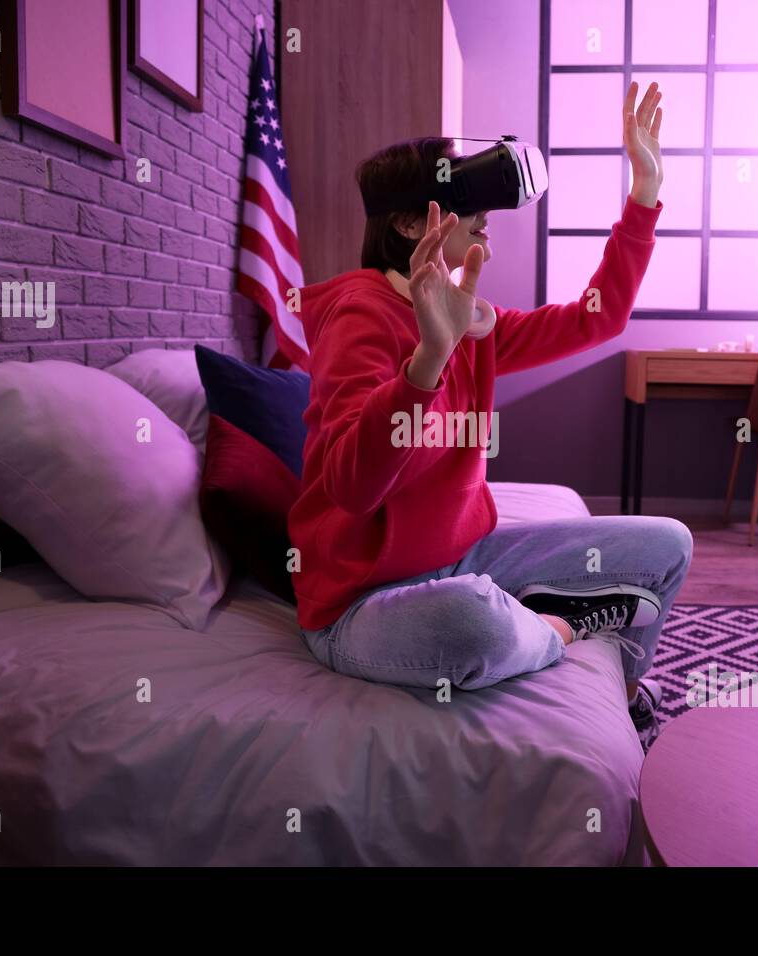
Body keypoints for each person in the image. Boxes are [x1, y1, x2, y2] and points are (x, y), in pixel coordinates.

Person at [289, 82, 692, 745]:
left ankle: (621, 697)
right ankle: (558, 628)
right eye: (463, 202)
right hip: (359, 604)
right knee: (471, 621)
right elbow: (352, 486)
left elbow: (597, 321)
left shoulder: (465, 314)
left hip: (462, 555)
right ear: (409, 224)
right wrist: (428, 361)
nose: (485, 218)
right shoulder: (358, 314)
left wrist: (644, 191)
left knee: (668, 546)